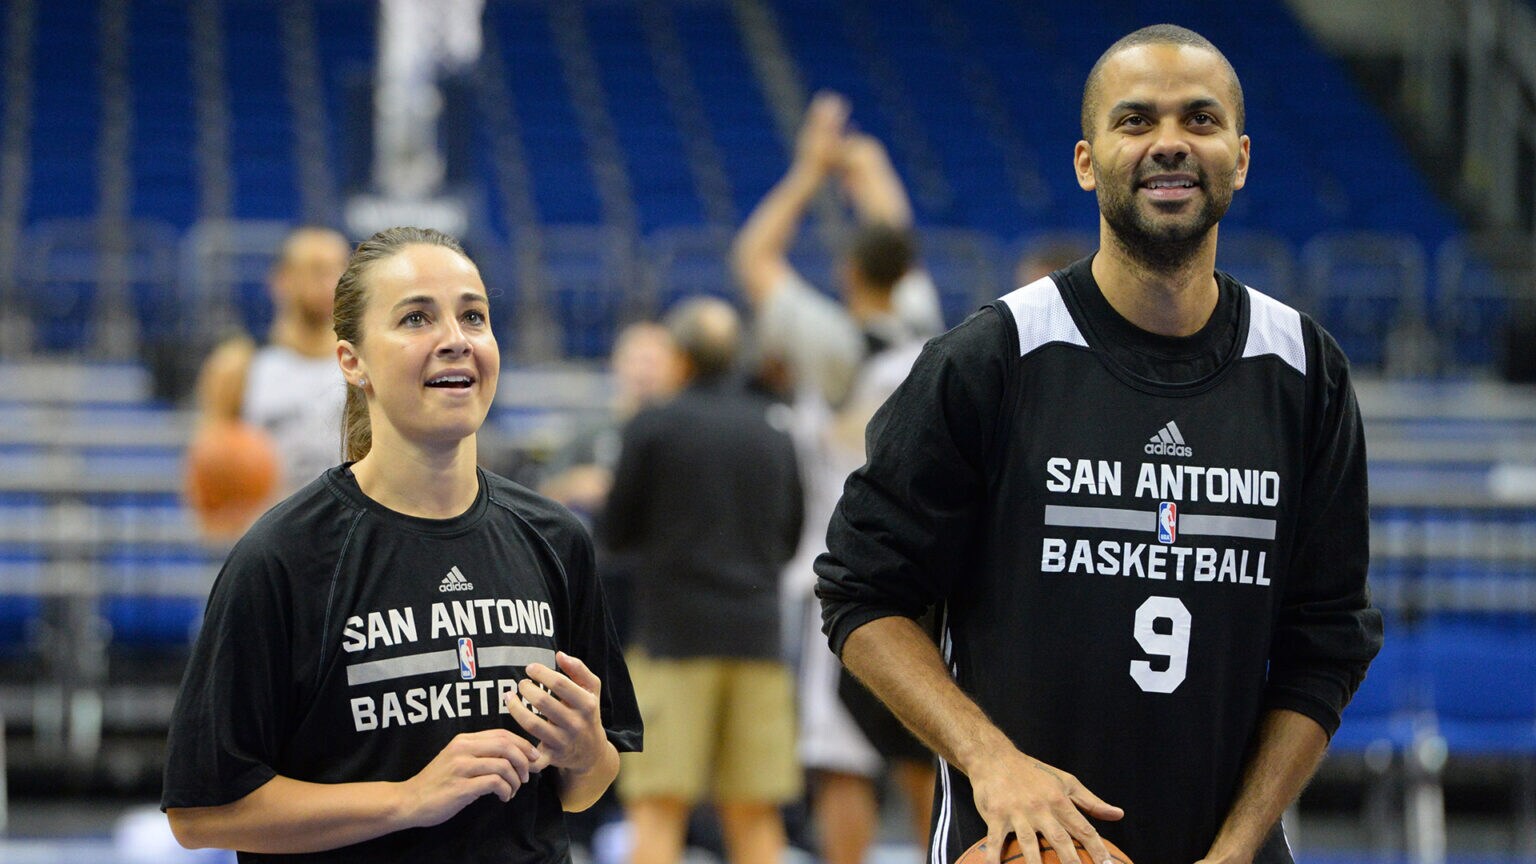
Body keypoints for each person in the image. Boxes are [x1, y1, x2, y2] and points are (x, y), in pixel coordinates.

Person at [815, 24, 1383, 864]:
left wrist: (1237, 848)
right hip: (1022, 847)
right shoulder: (992, 357)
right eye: (1135, 121)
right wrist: (990, 760)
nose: (1168, 145)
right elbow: (861, 593)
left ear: (1242, 155)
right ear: (1087, 161)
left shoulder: (1305, 371)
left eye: (1199, 119)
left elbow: (1327, 644)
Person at [162, 226, 642, 862]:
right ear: (351, 360)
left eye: (474, 315)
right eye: (417, 317)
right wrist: (408, 799)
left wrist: (586, 754)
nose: (455, 340)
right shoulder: (282, 559)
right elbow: (203, 814)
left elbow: (585, 787)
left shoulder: (555, 539)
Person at [733, 92, 940, 864]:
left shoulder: (829, 341)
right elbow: (897, 238)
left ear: (850, 269)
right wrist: (870, 168)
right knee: (926, 748)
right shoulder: (926, 325)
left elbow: (754, 258)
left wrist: (809, 171)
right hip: (926, 569)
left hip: (841, 570)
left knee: (840, 758)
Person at [599, 297, 804, 864]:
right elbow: (790, 537)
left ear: (681, 358)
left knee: (660, 809)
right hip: (758, 641)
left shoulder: (654, 423)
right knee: (755, 813)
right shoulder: (774, 428)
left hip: (673, 640)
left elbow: (614, 534)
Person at [189, 227, 351, 539]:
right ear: (281, 280)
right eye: (316, 269)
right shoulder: (239, 366)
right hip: (268, 541)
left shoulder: (367, 368)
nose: (329, 280)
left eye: (338, 269)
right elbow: (206, 475)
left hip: (346, 540)